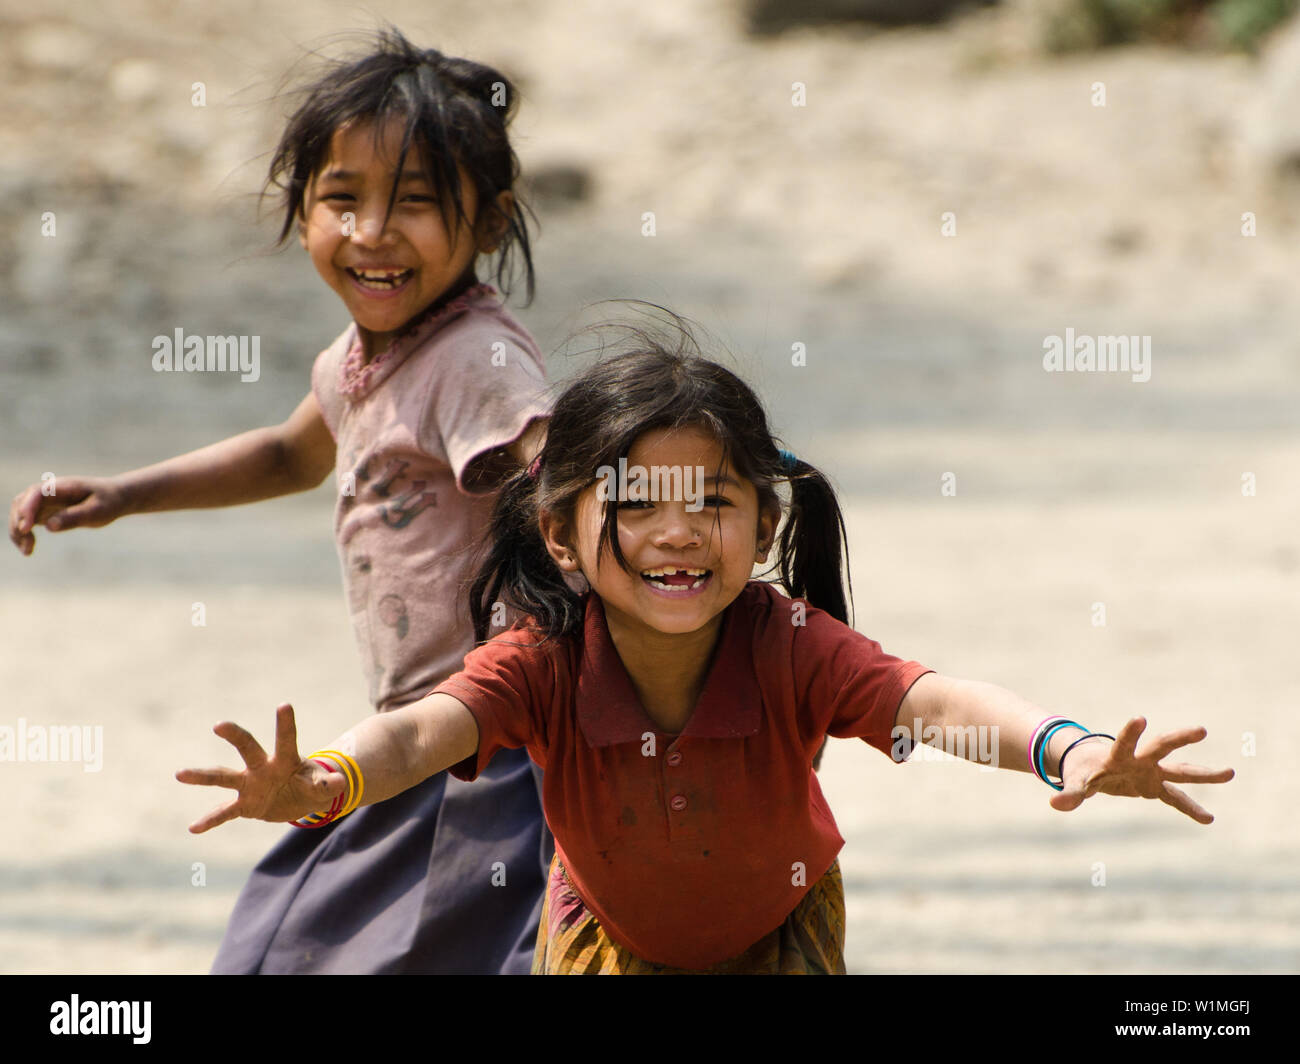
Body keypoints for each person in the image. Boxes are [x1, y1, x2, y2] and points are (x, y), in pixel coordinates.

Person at [175, 312, 1234, 974]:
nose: (678, 530)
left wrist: (1070, 747)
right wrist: (325, 777)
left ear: (763, 527)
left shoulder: (791, 644)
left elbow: (934, 706)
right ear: (561, 534)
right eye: (635, 504)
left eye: (713, 501)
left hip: (782, 938)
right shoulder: (541, 659)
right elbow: (422, 734)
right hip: (602, 944)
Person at [9, 28, 554, 974]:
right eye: (341, 199)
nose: (372, 232)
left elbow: (556, 472)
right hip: (414, 735)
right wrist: (126, 493)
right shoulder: (359, 364)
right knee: (303, 939)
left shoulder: (477, 360)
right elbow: (285, 454)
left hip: (493, 740)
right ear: (300, 211)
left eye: (415, 205)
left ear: (492, 222)